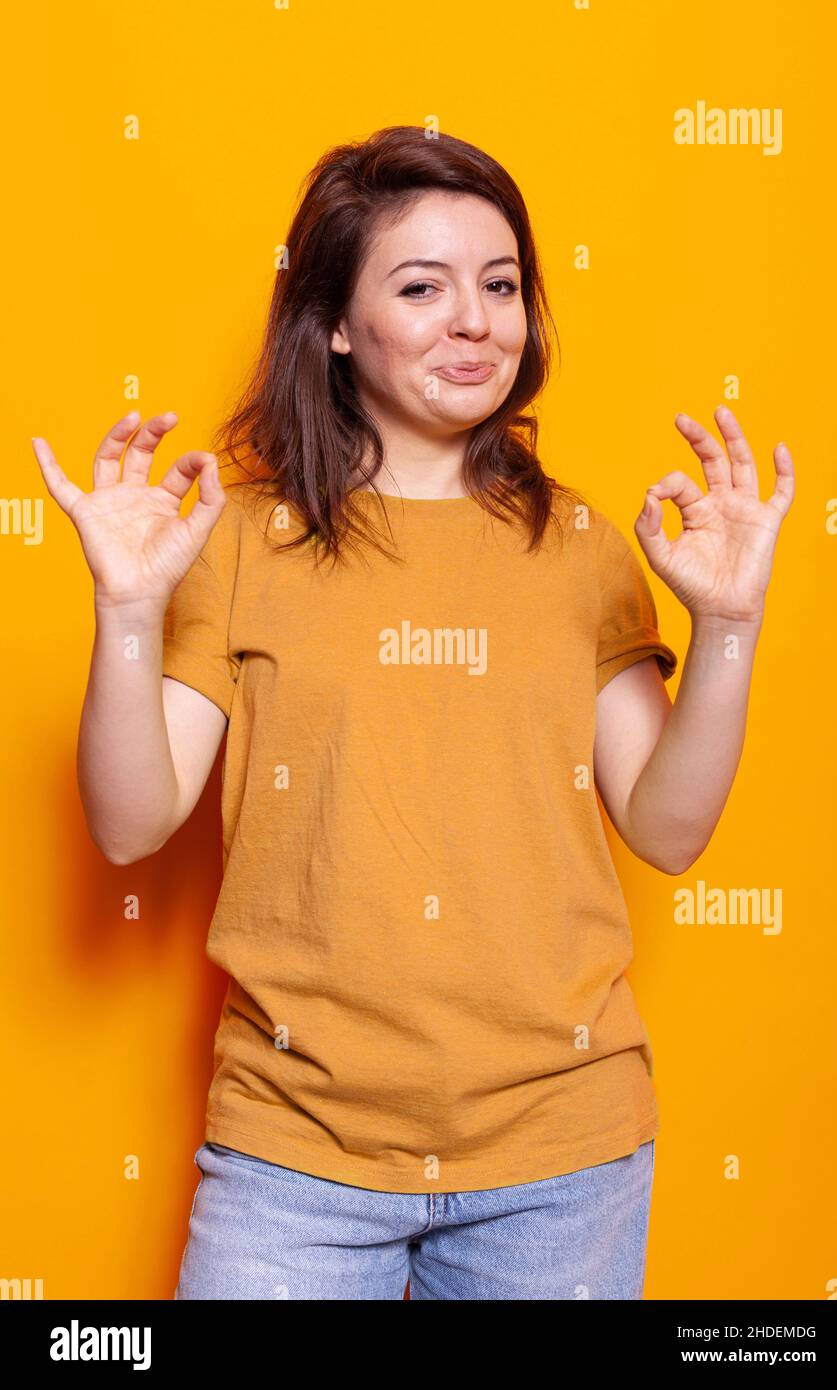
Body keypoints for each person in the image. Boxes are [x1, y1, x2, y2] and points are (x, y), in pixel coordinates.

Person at [32, 125, 794, 1301]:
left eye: (498, 286)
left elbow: (667, 828)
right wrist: (129, 611)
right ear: (334, 322)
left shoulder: (583, 546)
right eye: (420, 287)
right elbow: (132, 826)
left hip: (560, 1157)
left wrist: (728, 629)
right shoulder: (237, 540)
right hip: (292, 1153)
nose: (475, 322)